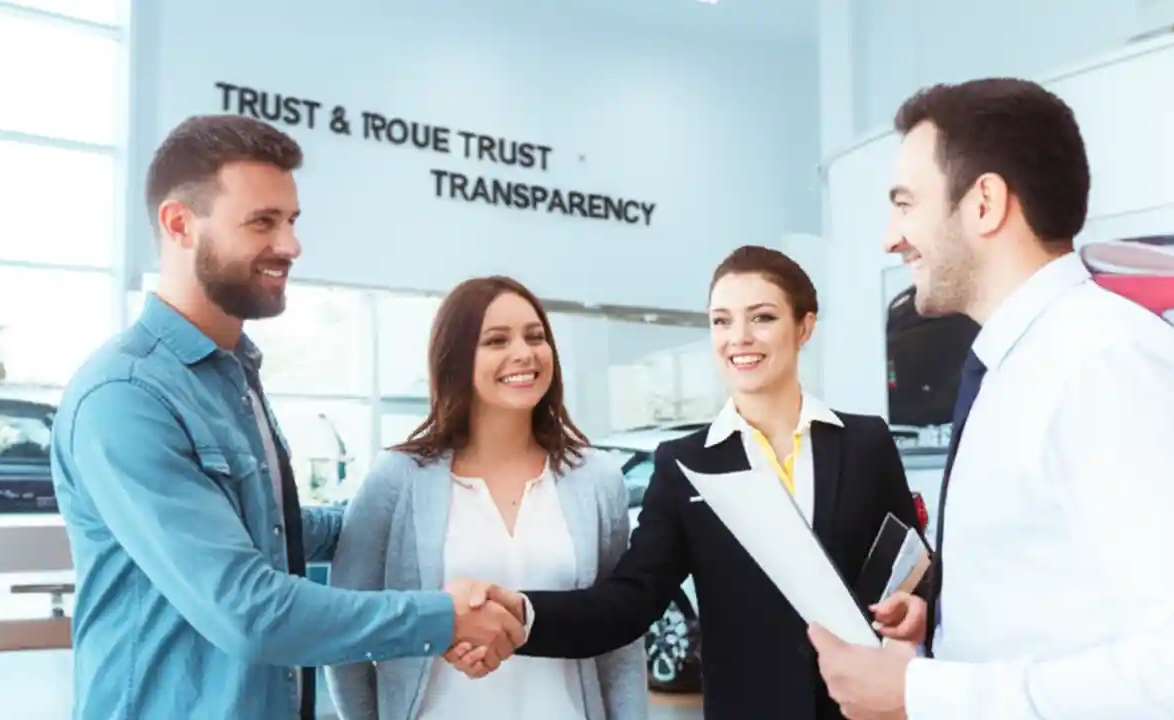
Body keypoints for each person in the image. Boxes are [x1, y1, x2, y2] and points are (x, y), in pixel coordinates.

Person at [50, 114, 524, 720]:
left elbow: (272, 527)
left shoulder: (233, 375)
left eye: (292, 220)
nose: (291, 246)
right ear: (179, 225)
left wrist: (419, 500)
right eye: (262, 222)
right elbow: (250, 611)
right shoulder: (124, 397)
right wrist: (446, 614)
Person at [806, 78, 1174, 719]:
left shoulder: (1111, 367)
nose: (890, 237)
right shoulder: (1021, 366)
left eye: (905, 204)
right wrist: (946, 630)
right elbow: (1066, 602)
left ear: (983, 202)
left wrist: (919, 694)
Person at [449, 246, 922, 719]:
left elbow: (915, 569)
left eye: (761, 317)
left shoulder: (866, 443)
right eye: (721, 321)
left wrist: (914, 606)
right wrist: (522, 616)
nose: (739, 338)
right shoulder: (684, 464)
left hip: (866, 710)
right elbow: (629, 602)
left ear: (804, 327)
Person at [324, 276, 646, 720]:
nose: (524, 353)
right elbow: (348, 630)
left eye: (536, 337)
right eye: (496, 340)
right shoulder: (398, 478)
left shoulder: (596, 478)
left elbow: (621, 637)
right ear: (455, 359)